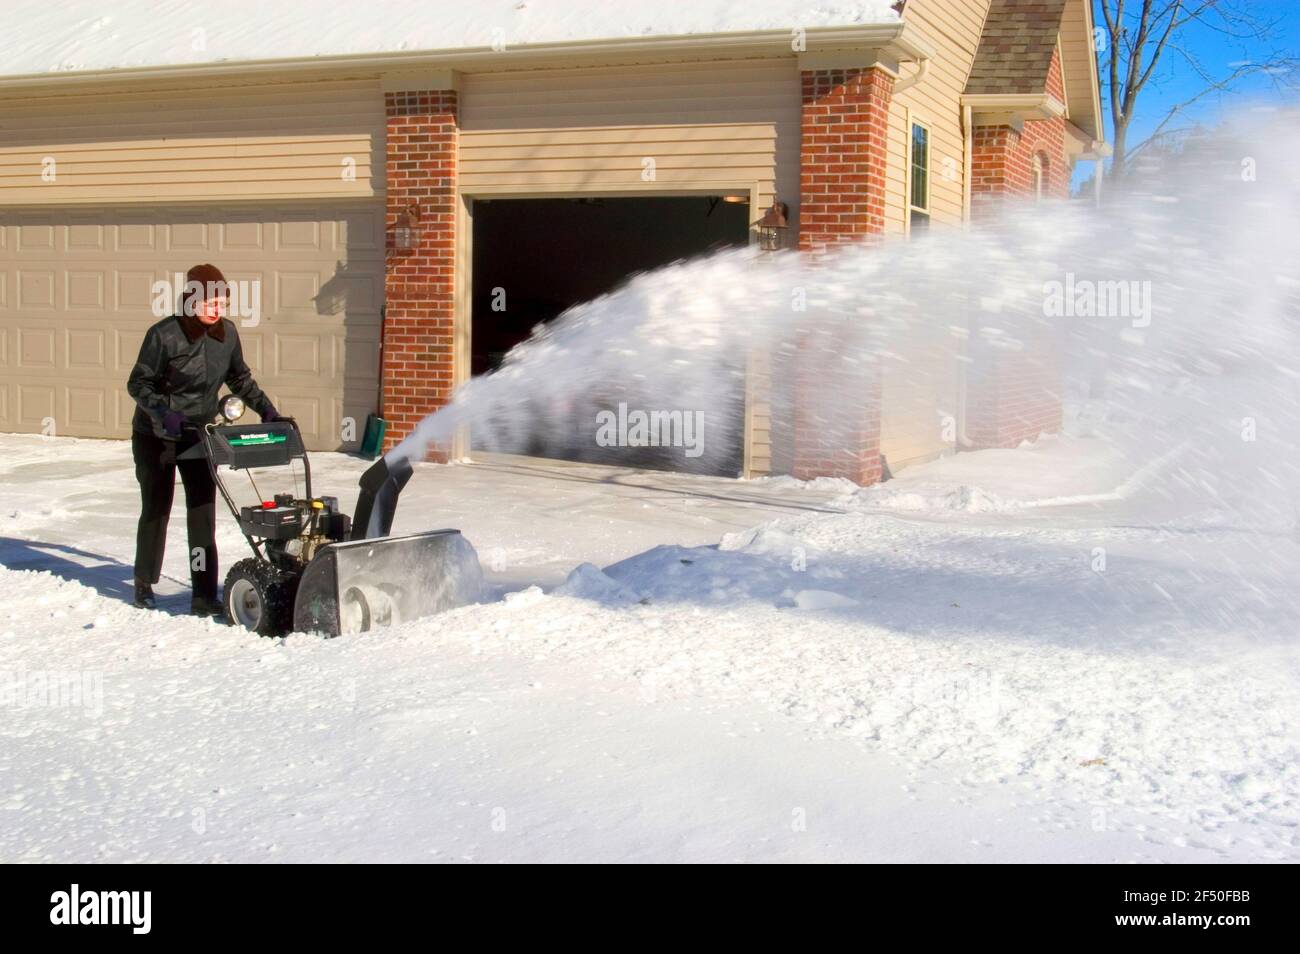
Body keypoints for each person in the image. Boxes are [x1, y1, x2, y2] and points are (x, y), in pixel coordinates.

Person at [126, 264, 279, 615]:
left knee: (202, 513)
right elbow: (138, 383)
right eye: (210, 300)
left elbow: (240, 380)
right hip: (156, 436)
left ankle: (203, 593)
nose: (217, 308)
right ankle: (144, 582)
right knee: (157, 508)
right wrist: (164, 412)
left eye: (222, 301)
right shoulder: (164, 334)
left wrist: (268, 411)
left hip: (198, 435)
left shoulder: (226, 335)